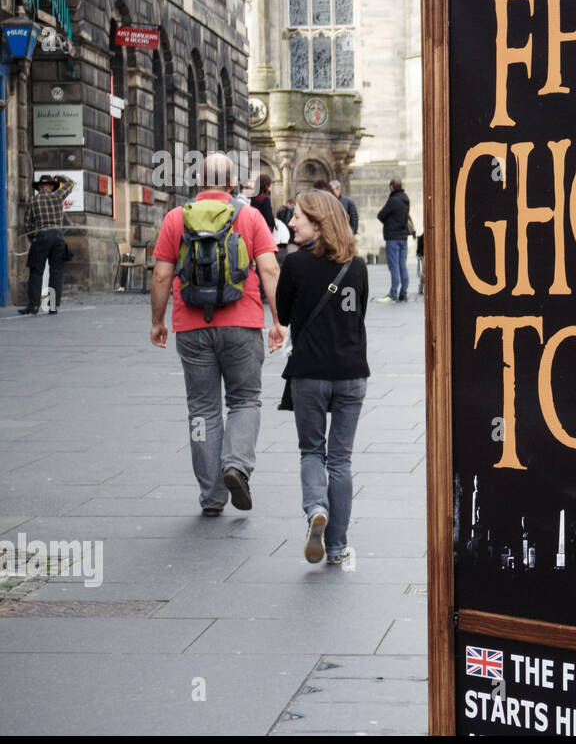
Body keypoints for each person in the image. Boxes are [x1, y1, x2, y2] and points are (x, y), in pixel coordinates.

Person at [150, 153, 286, 517]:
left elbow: (162, 276)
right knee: (244, 400)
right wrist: (278, 319)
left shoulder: (175, 219)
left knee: (202, 409)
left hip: (191, 326)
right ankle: (236, 465)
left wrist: (158, 321)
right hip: (242, 323)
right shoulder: (251, 216)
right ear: (232, 184)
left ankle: (211, 497)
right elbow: (270, 269)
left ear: (197, 181)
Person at [277, 189, 369, 564]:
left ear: (318, 221)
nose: (292, 222)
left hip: (310, 373)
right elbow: (359, 314)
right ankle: (336, 547)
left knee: (312, 451)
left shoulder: (295, 264)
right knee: (341, 461)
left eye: (298, 216)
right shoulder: (358, 265)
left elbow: (283, 315)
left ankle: (316, 507)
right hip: (351, 373)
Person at [17, 175, 74, 315]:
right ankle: (52, 306)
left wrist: (33, 239)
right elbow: (71, 183)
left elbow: (28, 224)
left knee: (36, 272)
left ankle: (34, 306)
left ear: (40, 187)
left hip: (41, 236)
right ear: (51, 186)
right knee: (56, 272)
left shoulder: (33, 200)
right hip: (58, 237)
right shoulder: (58, 196)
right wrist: (58, 177)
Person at [376, 177, 411, 303]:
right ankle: (404, 292)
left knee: (394, 265)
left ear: (391, 187)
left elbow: (380, 215)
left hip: (393, 237)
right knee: (402, 265)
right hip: (403, 237)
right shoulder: (406, 199)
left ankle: (393, 293)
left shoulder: (393, 200)